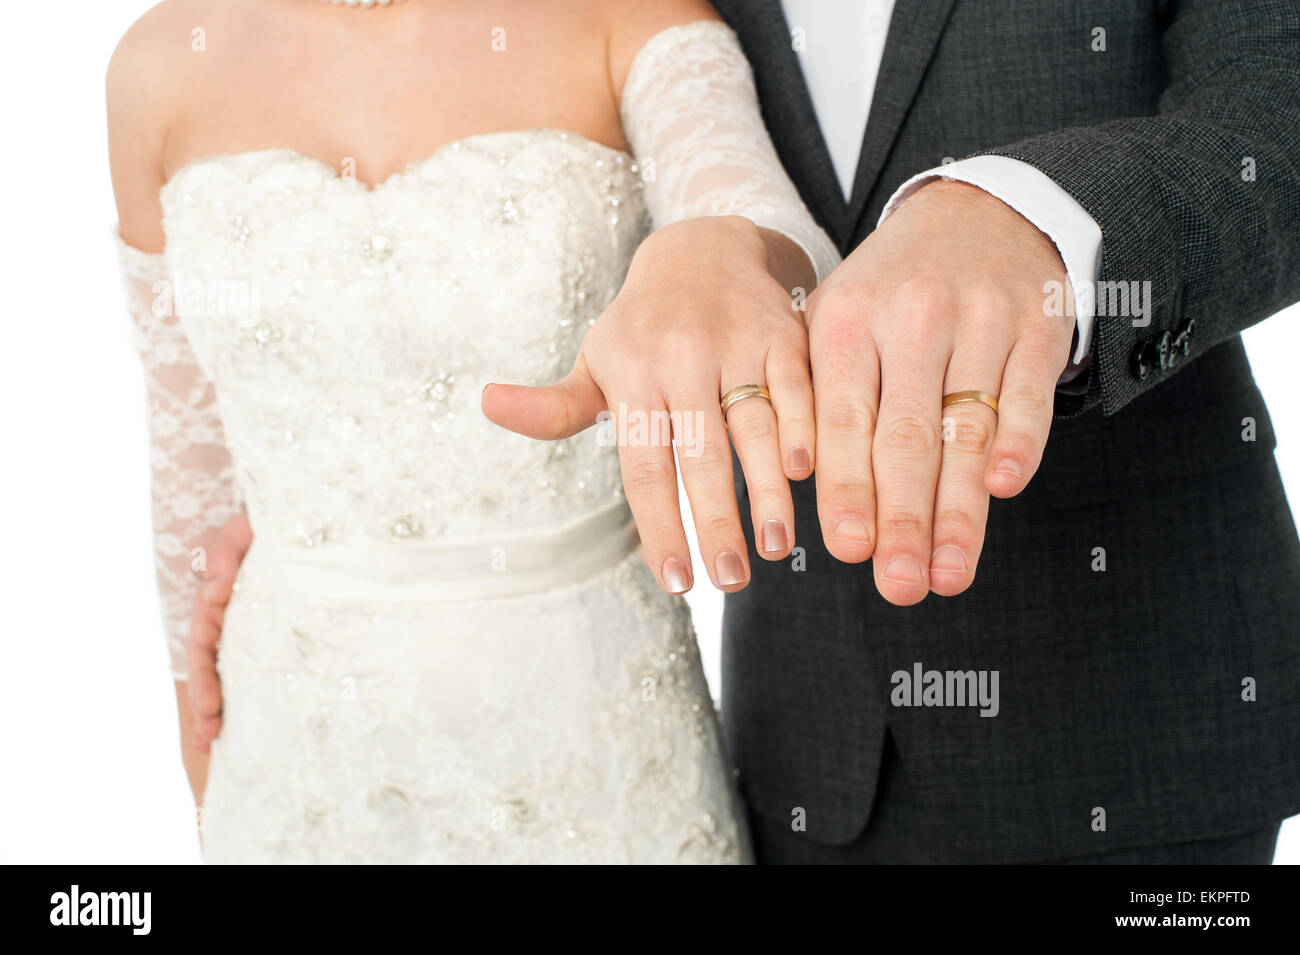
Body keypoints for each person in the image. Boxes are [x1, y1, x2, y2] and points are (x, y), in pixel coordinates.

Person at [184, 0, 1300, 864]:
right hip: (792, 729)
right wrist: (336, 475)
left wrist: (1040, 219)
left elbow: (1276, 110)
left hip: (1142, 707)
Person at [109, 0, 840, 863]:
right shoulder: (157, 63)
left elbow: (774, 236)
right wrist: (212, 782)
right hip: (291, 755)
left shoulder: (629, 18)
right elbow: (187, 466)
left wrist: (730, 251)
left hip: (596, 740)